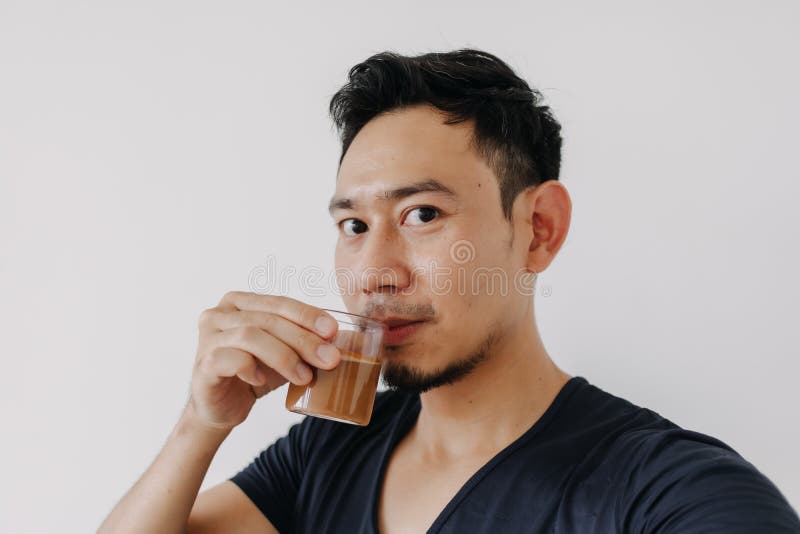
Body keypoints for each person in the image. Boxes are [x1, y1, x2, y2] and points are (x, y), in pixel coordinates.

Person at [98, 49, 800, 533]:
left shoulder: (668, 490)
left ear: (538, 229)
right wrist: (201, 424)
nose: (375, 270)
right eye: (352, 224)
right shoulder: (325, 455)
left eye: (422, 215)